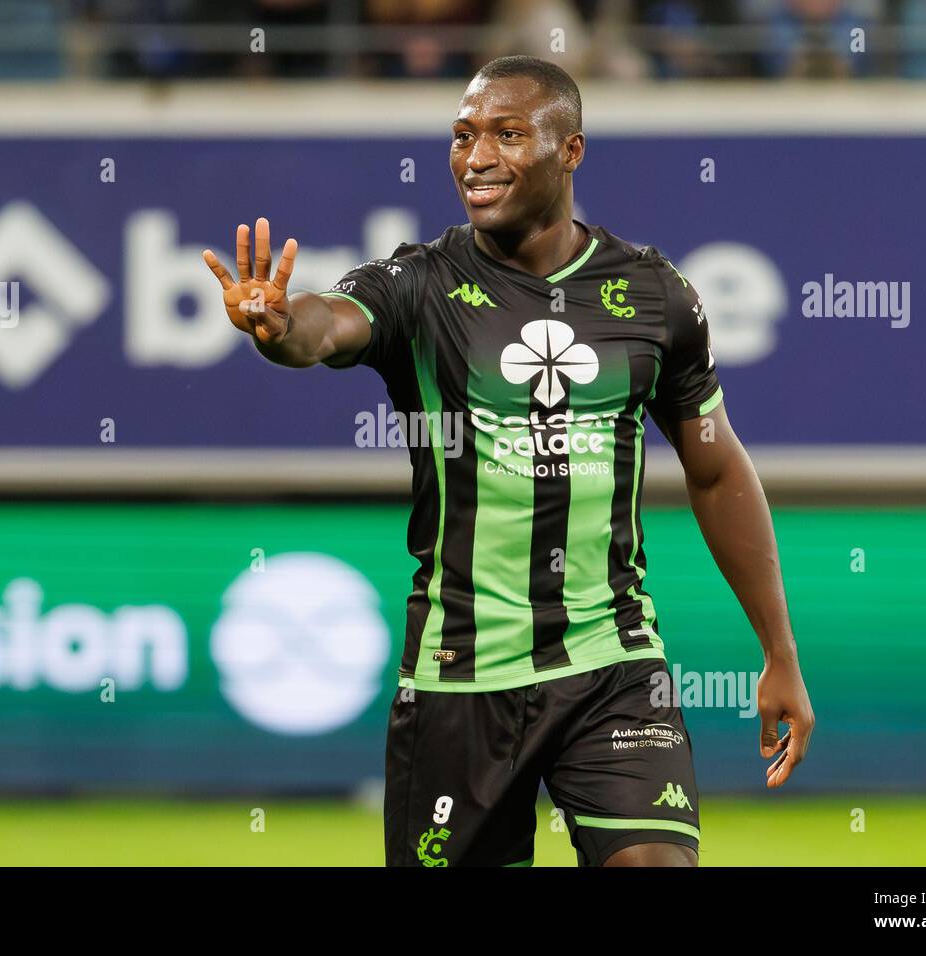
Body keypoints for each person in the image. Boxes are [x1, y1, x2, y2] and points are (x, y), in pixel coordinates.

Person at [203, 55, 814, 867]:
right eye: (463, 136)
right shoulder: (418, 285)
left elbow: (715, 470)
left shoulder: (655, 296)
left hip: (613, 664)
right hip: (460, 677)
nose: (476, 156)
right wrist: (282, 328)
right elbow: (328, 326)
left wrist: (779, 651)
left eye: (507, 134)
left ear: (571, 151)